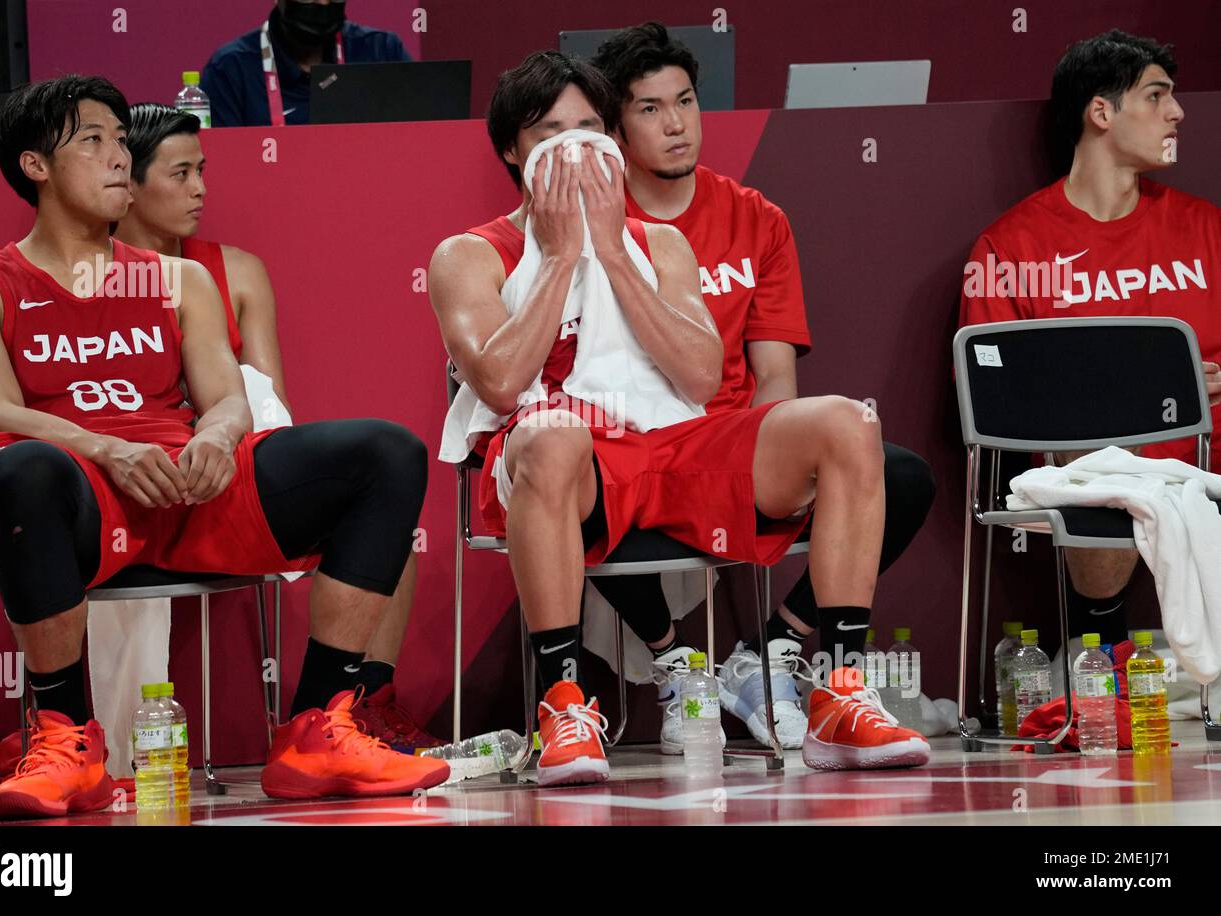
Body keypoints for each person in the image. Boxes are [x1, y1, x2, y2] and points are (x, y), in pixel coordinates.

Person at [0, 75, 447, 819]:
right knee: (19, 465)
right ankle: (66, 740)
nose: (118, 159)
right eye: (94, 141)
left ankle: (314, 728)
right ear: (35, 166)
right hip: (83, 494)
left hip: (191, 487)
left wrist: (218, 433)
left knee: (386, 451)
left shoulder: (180, 280)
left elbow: (229, 394)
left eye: (120, 141)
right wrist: (104, 450)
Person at [428, 51, 930, 785]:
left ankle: (839, 695)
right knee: (552, 432)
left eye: (591, 130)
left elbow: (699, 374)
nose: (576, 152)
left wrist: (614, 257)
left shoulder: (659, 242)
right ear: (512, 149)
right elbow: (502, 385)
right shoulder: (469, 255)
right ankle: (564, 706)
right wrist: (564, 256)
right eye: (550, 134)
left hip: (673, 443)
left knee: (847, 423)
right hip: (564, 458)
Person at [585, 23, 936, 753]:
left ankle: (780, 654)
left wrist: (775, 460)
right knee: (581, 482)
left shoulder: (756, 216)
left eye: (685, 101)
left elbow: (775, 377)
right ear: (615, 131)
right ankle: (679, 659)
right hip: (630, 445)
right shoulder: (595, 222)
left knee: (891, 470)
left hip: (727, 443)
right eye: (650, 109)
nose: (677, 123)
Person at [114, 102, 441, 753]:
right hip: (133, 483)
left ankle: (357, 703)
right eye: (180, 174)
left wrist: (215, 431)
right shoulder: (84, 276)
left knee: (380, 492)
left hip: (228, 472)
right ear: (127, 181)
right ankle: (86, 733)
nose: (201, 189)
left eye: (201, 171)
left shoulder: (235, 271)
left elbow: (266, 403)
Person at [959, 30, 1221, 647]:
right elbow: (989, 394)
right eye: (1156, 95)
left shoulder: (1207, 228)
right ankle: (1096, 653)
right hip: (1095, 463)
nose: (1177, 112)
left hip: (1208, 450)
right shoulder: (1011, 246)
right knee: (1094, 458)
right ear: (1100, 112)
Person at [200, 0, 411, 127]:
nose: (322, 4)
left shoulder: (382, 51)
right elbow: (221, 170)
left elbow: (421, 144)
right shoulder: (229, 70)